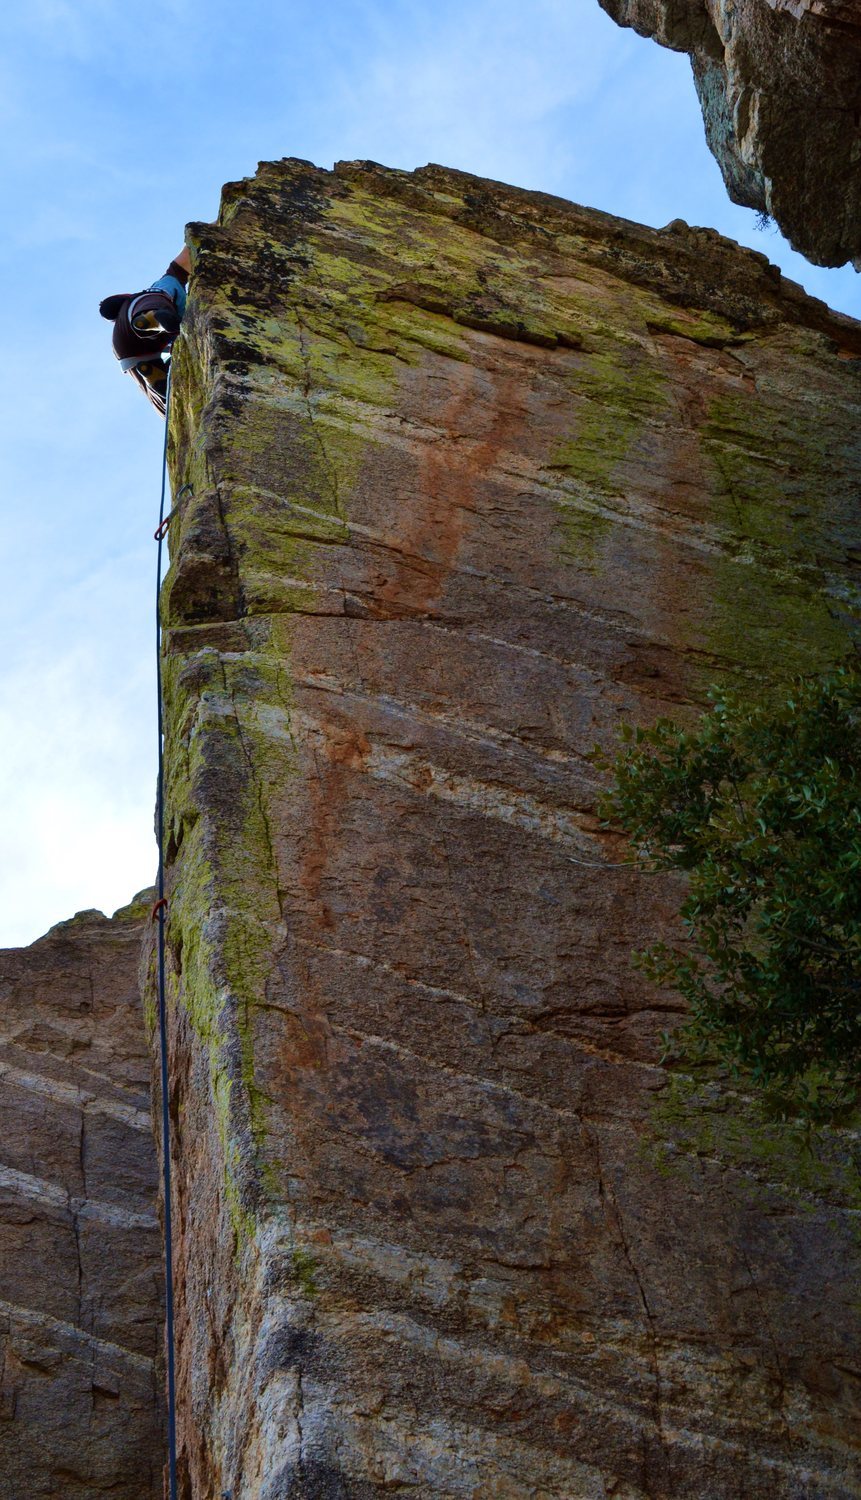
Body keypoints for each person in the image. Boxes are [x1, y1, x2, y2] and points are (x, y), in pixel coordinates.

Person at [99, 247, 191, 415]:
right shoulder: (143, 295)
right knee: (164, 291)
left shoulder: (118, 329)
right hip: (143, 312)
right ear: (126, 295)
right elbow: (186, 256)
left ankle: (162, 395)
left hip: (130, 355)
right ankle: (151, 319)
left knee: (164, 402)